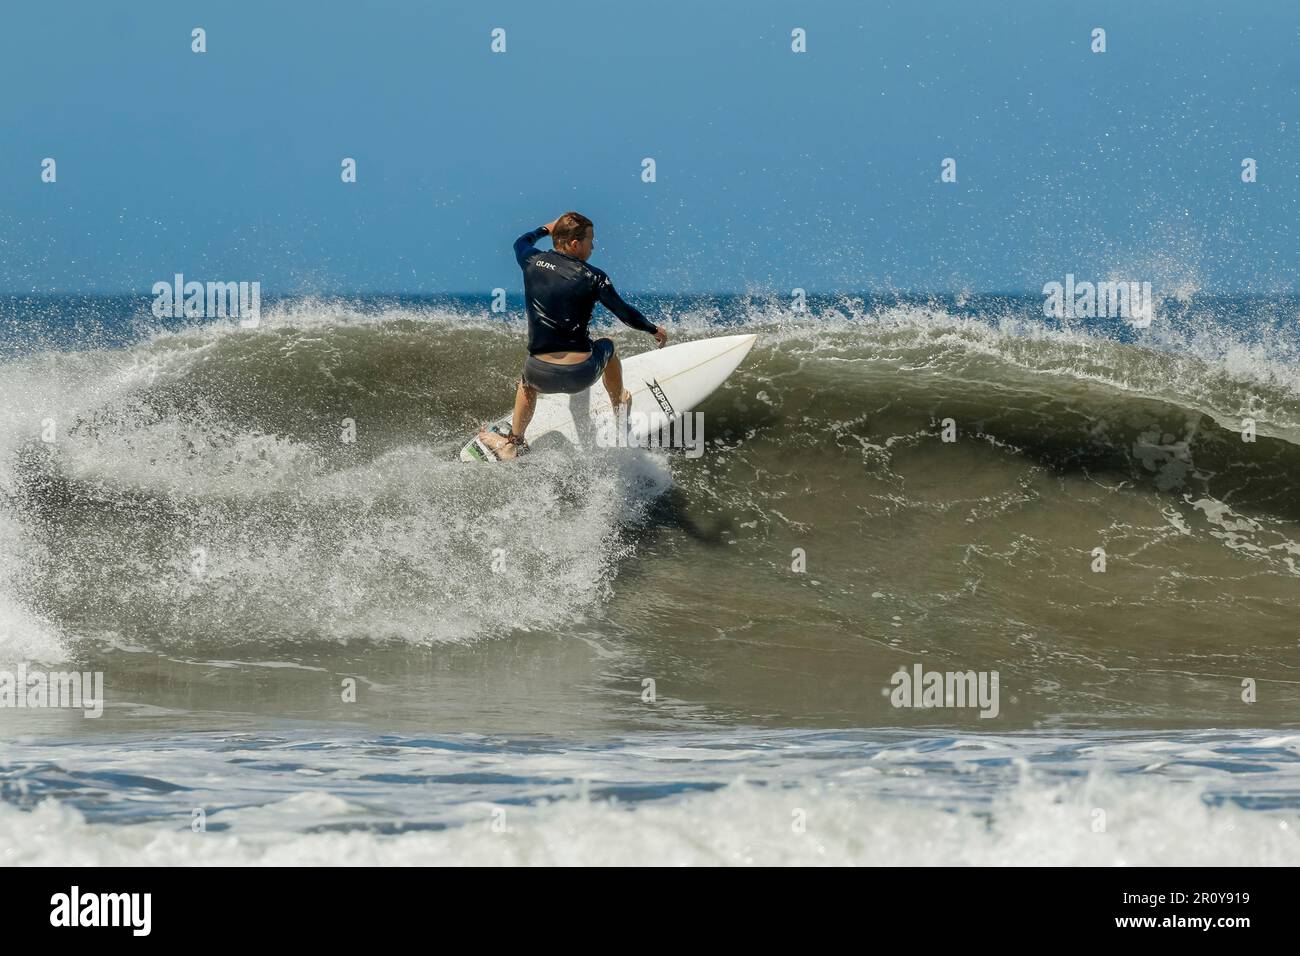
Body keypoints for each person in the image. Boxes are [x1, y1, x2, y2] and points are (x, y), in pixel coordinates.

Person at [476, 212, 668, 459]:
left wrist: (546, 228)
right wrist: (654, 329)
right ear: (575, 244)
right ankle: (620, 406)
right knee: (608, 346)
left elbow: (520, 242)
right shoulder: (594, 276)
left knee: (525, 384)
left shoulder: (532, 261)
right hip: (580, 375)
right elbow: (625, 313)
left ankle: (513, 442)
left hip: (539, 374)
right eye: (591, 240)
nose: (593, 246)